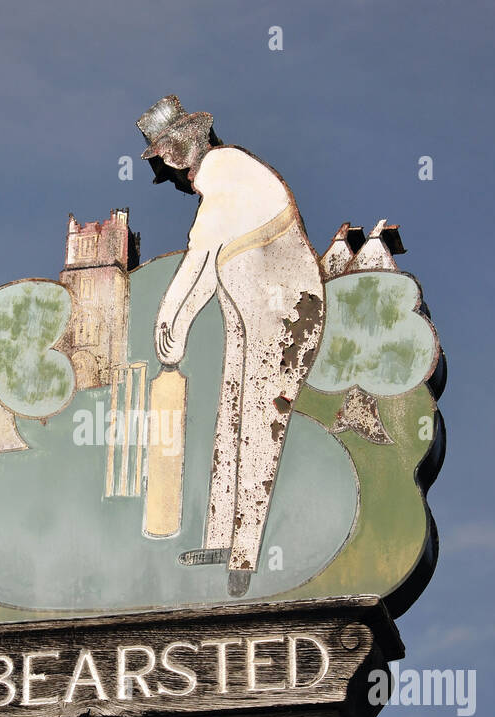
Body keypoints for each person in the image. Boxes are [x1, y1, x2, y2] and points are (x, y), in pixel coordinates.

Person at [138, 96, 325, 597]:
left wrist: (169, 319)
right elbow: (210, 260)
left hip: (284, 305)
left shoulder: (226, 170)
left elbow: (202, 251)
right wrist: (178, 323)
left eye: (166, 168)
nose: (172, 183)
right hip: (248, 295)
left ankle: (245, 556)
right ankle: (223, 536)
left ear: (179, 155)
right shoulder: (220, 180)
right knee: (233, 414)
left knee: (259, 420)